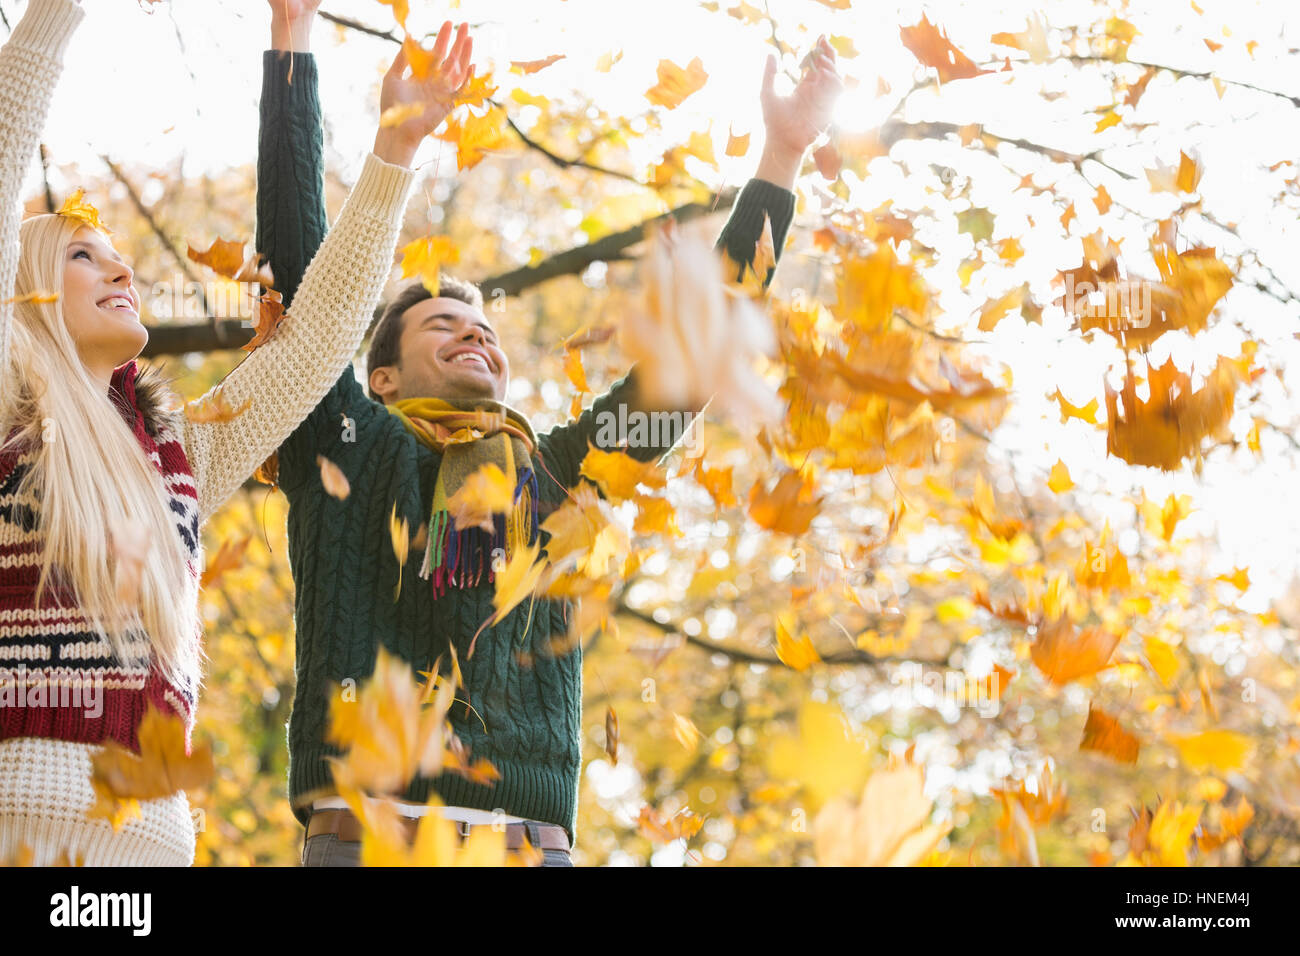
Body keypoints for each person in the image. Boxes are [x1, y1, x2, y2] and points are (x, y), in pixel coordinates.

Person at [260, 4, 842, 867]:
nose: (474, 333)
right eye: (441, 324)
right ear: (381, 377)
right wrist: (294, 44)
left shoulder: (557, 476)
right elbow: (300, 276)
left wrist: (782, 156)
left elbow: (687, 362)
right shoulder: (346, 439)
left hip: (530, 851)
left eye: (484, 326)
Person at [0, 0, 473, 865]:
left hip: (150, 847)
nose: (120, 267)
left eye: (115, 253)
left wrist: (395, 152)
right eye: (80, 255)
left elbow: (322, 333)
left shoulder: (179, 456)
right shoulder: (7, 409)